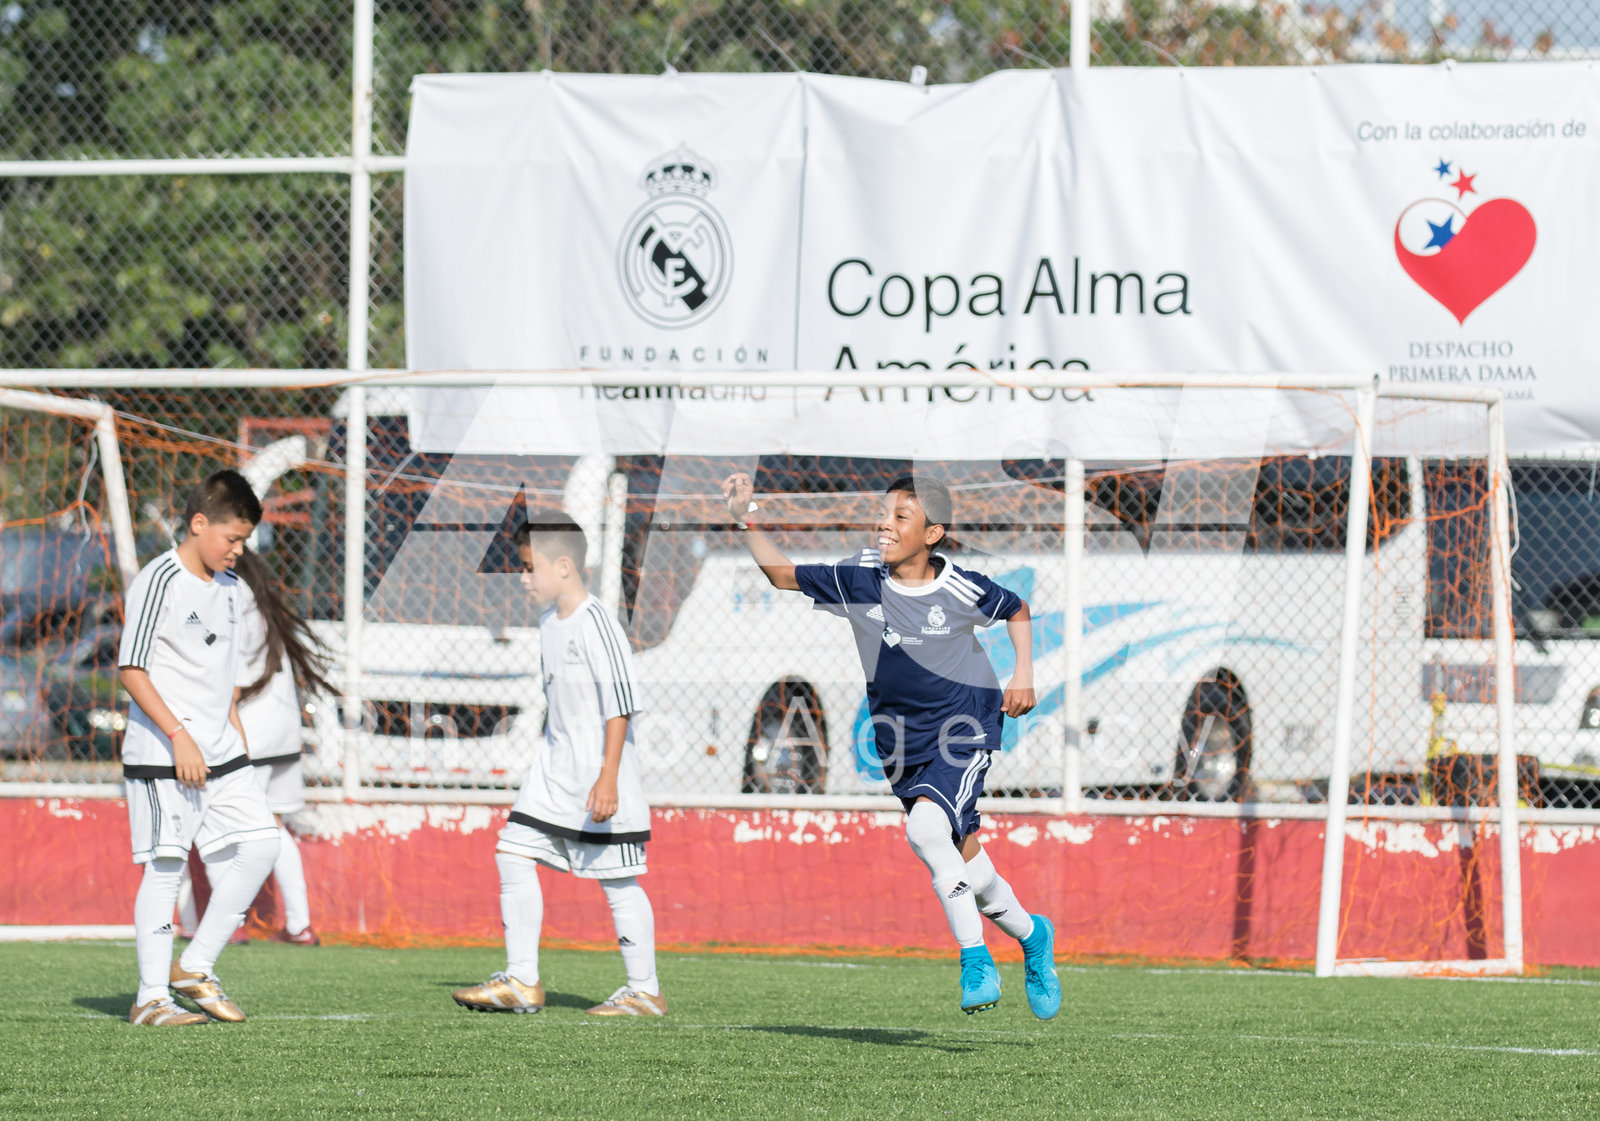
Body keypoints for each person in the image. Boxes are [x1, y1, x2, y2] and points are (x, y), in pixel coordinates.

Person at [720, 471, 1060, 1018]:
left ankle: (976, 963)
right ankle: (1032, 934)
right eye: (884, 512)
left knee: (926, 829)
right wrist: (745, 518)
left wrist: (1024, 673)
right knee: (966, 860)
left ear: (932, 534)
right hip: (902, 744)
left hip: (964, 730)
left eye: (901, 516)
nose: (884, 522)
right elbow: (783, 575)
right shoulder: (859, 576)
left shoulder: (959, 588)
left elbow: (1015, 607)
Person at [452, 515, 663, 1017]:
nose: (523, 579)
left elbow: (621, 706)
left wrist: (608, 775)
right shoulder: (549, 624)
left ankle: (646, 990)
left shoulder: (598, 623)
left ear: (564, 566)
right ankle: (522, 980)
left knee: (617, 881)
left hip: (599, 781)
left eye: (530, 569)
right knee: (511, 854)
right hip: (552, 776)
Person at [118, 470, 280, 1026]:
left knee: (262, 845)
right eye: (231, 539)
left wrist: (239, 745)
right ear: (198, 523)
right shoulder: (158, 580)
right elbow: (132, 669)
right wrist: (179, 736)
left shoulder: (233, 590)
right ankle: (149, 998)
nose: (238, 550)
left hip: (222, 753)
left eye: (244, 541)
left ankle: (196, 964)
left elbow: (224, 678)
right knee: (167, 868)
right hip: (165, 753)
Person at [233, 547, 336, 946]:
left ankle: (229, 924)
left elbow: (232, 684)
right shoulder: (264, 610)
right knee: (274, 828)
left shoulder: (235, 608)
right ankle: (299, 925)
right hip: (283, 736)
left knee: (227, 826)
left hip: (252, 737)